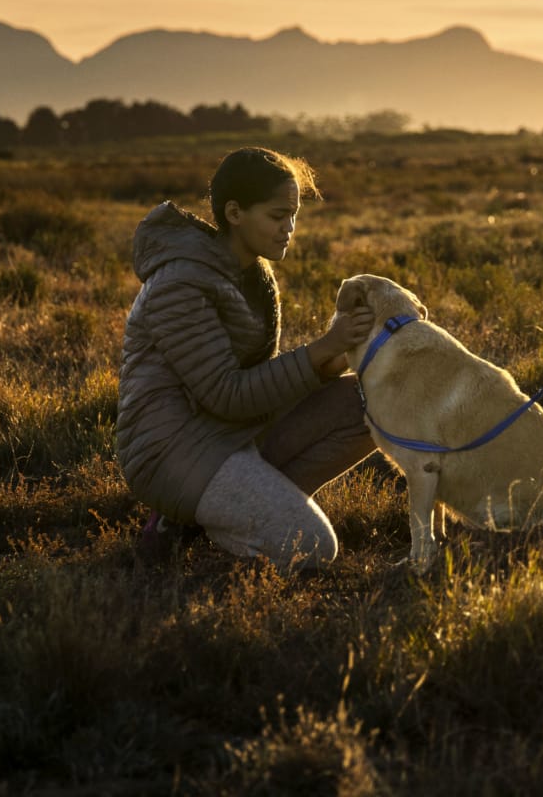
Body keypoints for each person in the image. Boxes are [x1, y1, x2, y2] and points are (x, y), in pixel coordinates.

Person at [116, 147, 378, 568]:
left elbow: (256, 382)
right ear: (235, 212)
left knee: (372, 401)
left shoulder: (251, 271)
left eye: (293, 215)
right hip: (173, 451)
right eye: (277, 216)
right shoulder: (180, 283)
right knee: (312, 548)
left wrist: (336, 359)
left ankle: (243, 509)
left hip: (230, 432)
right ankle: (185, 519)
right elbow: (228, 394)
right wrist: (322, 350)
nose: (289, 228)